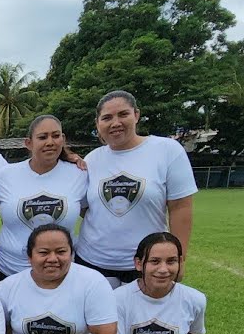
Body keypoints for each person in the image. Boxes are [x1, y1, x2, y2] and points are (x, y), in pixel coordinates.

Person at [78, 90, 198, 288]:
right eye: (107, 118)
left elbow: (180, 208)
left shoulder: (167, 150)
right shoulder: (91, 159)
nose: (115, 123)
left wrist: (179, 258)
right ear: (98, 124)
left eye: (123, 114)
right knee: (99, 319)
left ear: (136, 115)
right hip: (93, 262)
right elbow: (84, 208)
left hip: (146, 263)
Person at [0, 115, 88, 290]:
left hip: (59, 274)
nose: (50, 142)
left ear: (63, 139)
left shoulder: (80, 173)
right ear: (28, 143)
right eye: (42, 137)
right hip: (8, 270)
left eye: (56, 136)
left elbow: (91, 213)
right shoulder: (5, 175)